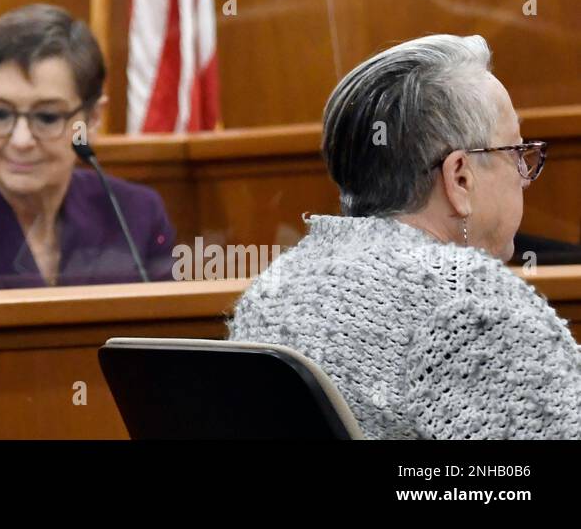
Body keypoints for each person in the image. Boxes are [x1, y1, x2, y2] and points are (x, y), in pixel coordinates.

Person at [229, 34, 581, 438]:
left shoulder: (271, 292)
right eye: (517, 153)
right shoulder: (471, 300)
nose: (525, 177)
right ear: (460, 177)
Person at [0, 4, 175, 292]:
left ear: (92, 119)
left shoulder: (136, 214)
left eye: (47, 117)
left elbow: (164, 332)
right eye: (0, 114)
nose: (21, 140)